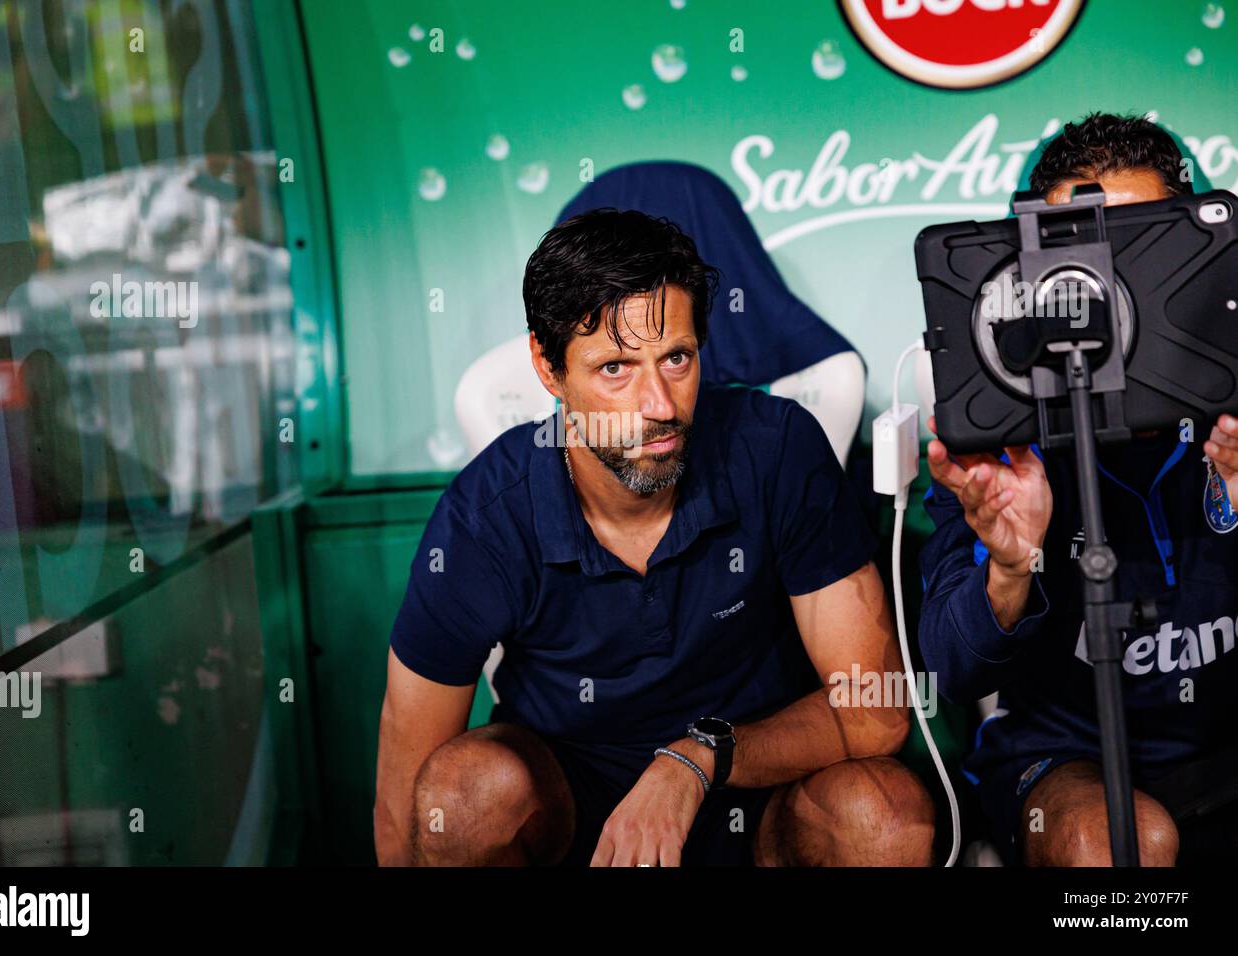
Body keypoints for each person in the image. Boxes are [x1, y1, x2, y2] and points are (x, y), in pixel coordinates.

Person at [375, 208, 934, 867]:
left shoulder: (776, 448)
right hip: (573, 814)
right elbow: (409, 796)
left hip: (756, 791)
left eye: (676, 358)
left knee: (884, 817)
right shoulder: (484, 518)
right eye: (615, 368)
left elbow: (877, 715)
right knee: (462, 797)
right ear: (548, 369)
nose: (659, 405)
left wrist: (699, 756)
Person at [920, 113, 1238, 866]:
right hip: (1065, 756)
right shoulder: (999, 439)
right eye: (1092, 266)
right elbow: (953, 671)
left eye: (1145, 258)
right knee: (1117, 845)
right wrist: (1009, 566)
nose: (1115, 297)